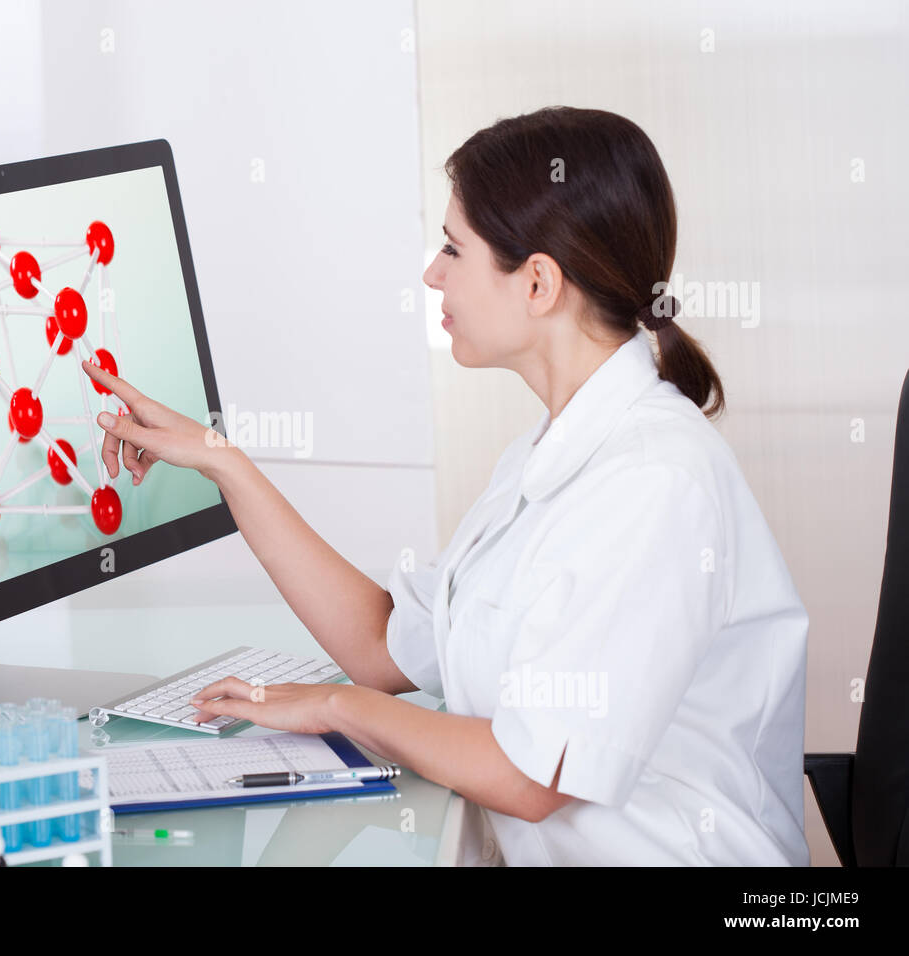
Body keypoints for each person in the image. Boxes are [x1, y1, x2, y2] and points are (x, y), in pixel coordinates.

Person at [80, 106, 810, 866]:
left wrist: (338, 707)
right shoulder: (547, 454)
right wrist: (220, 459)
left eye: (453, 249)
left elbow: (532, 775)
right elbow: (383, 646)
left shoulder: (655, 485)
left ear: (537, 283)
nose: (433, 273)